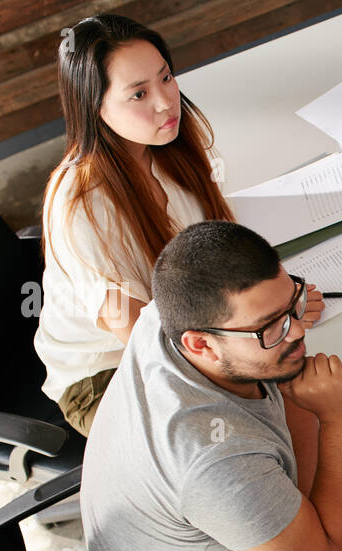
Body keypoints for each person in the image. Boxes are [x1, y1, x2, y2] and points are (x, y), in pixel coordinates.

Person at [81, 220, 342, 551]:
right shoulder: (211, 458)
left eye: (293, 304)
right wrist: (338, 417)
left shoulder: (168, 313)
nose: (296, 333)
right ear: (201, 344)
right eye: (268, 326)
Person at [35, 14, 239, 435]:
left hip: (189, 326)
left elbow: (220, 244)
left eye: (166, 78)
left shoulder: (166, 141)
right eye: (139, 93)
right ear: (96, 106)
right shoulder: (80, 206)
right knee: (234, 433)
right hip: (105, 375)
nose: (166, 102)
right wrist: (246, 348)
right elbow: (143, 341)